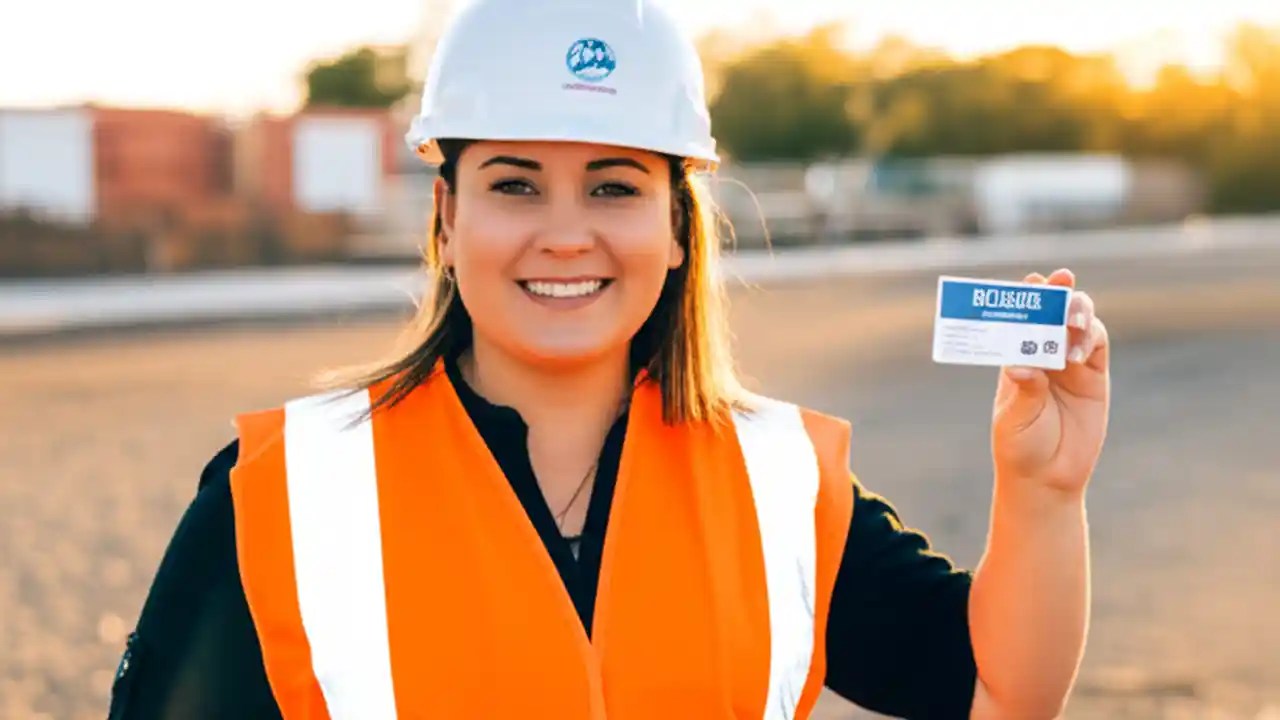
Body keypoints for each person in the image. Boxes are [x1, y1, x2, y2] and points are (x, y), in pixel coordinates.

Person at [107, 0, 1111, 718]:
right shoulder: (282, 492)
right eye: (514, 184)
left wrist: (1042, 491)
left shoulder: (779, 482)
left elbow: (998, 693)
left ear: (676, 226)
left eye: (610, 186)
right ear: (446, 218)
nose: (563, 235)